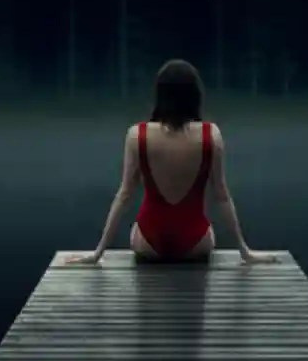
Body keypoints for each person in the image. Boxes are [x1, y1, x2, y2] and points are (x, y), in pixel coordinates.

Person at [66, 59, 278, 265]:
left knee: (138, 222)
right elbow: (221, 195)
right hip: (196, 243)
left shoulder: (137, 135)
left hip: (148, 243)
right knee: (207, 228)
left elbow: (125, 195)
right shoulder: (209, 135)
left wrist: (97, 253)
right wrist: (245, 251)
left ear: (159, 95)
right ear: (196, 95)